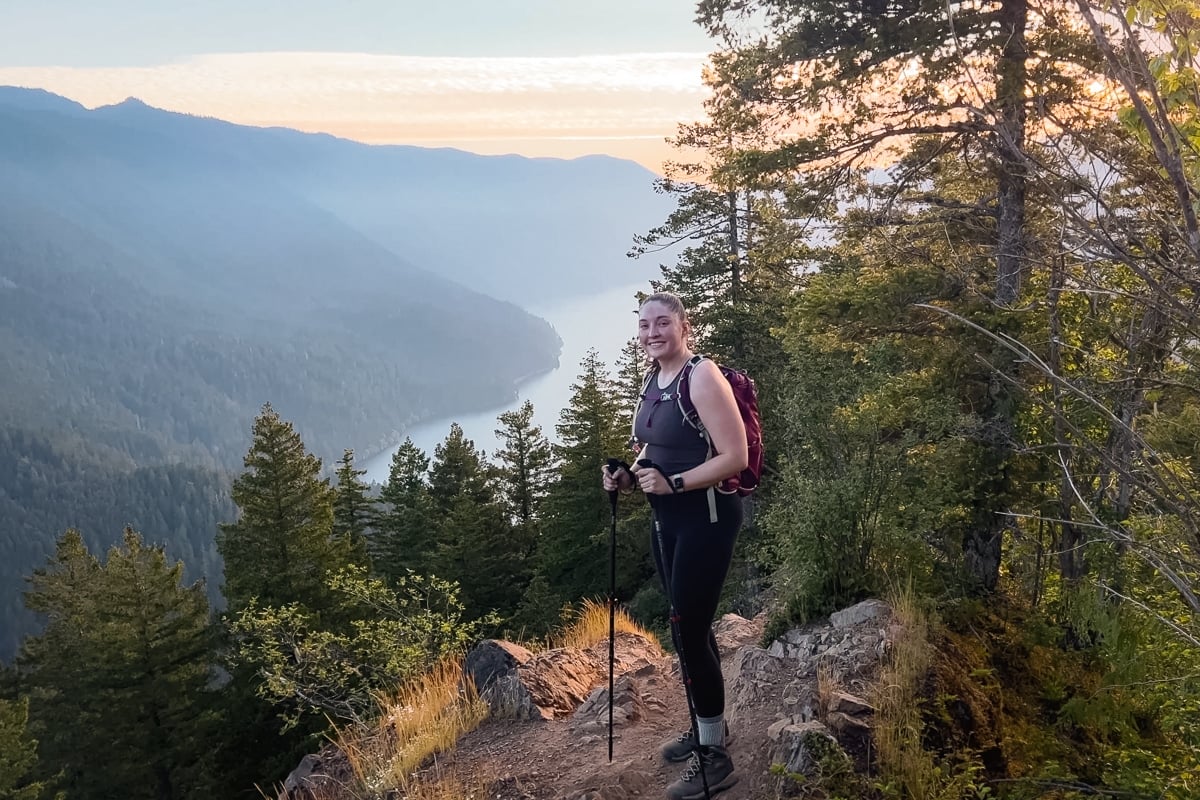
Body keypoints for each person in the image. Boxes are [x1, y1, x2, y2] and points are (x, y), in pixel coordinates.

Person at [602, 291, 748, 800]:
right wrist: (628, 475)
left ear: (685, 326)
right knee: (687, 624)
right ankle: (710, 728)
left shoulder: (701, 376)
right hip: (667, 519)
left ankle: (716, 758)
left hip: (705, 518)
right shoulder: (653, 379)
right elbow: (652, 448)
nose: (651, 333)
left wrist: (677, 484)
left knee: (688, 628)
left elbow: (735, 456)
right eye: (644, 325)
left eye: (662, 323)